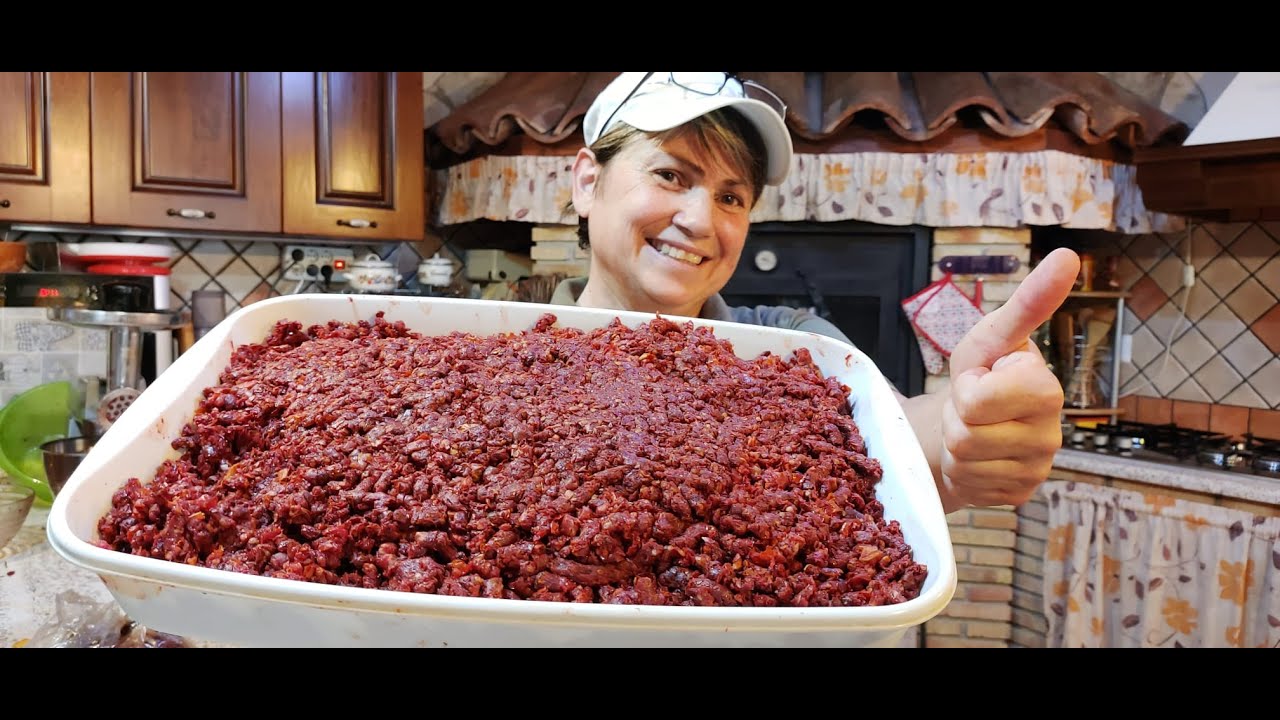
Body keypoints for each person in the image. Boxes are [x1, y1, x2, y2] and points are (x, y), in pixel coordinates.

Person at [551, 72, 1080, 513]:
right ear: (587, 183)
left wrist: (958, 433)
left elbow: (890, 430)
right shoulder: (482, 353)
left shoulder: (791, 346)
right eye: (669, 174)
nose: (700, 220)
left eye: (731, 196)